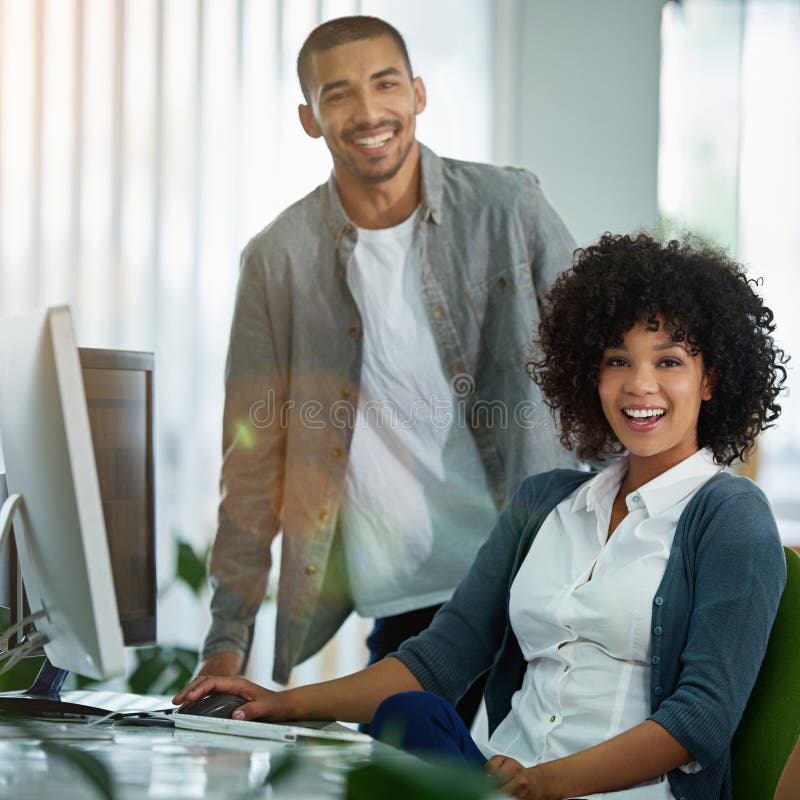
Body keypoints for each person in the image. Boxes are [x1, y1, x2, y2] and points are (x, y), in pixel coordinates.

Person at [175, 233, 789, 800]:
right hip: (497, 786)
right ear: (589, 372)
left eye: (670, 361)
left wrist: (544, 784)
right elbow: (439, 660)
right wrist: (278, 705)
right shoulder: (545, 503)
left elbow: (700, 720)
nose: (640, 386)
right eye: (618, 360)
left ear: (712, 378)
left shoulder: (730, 517)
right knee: (410, 718)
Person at [197, 13, 576, 724]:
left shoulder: (508, 208)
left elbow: (602, 366)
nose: (368, 112)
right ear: (310, 119)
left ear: (419, 94)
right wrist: (226, 644)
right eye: (338, 94)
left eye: (385, 84)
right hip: (407, 608)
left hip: (534, 578)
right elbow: (252, 468)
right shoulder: (277, 261)